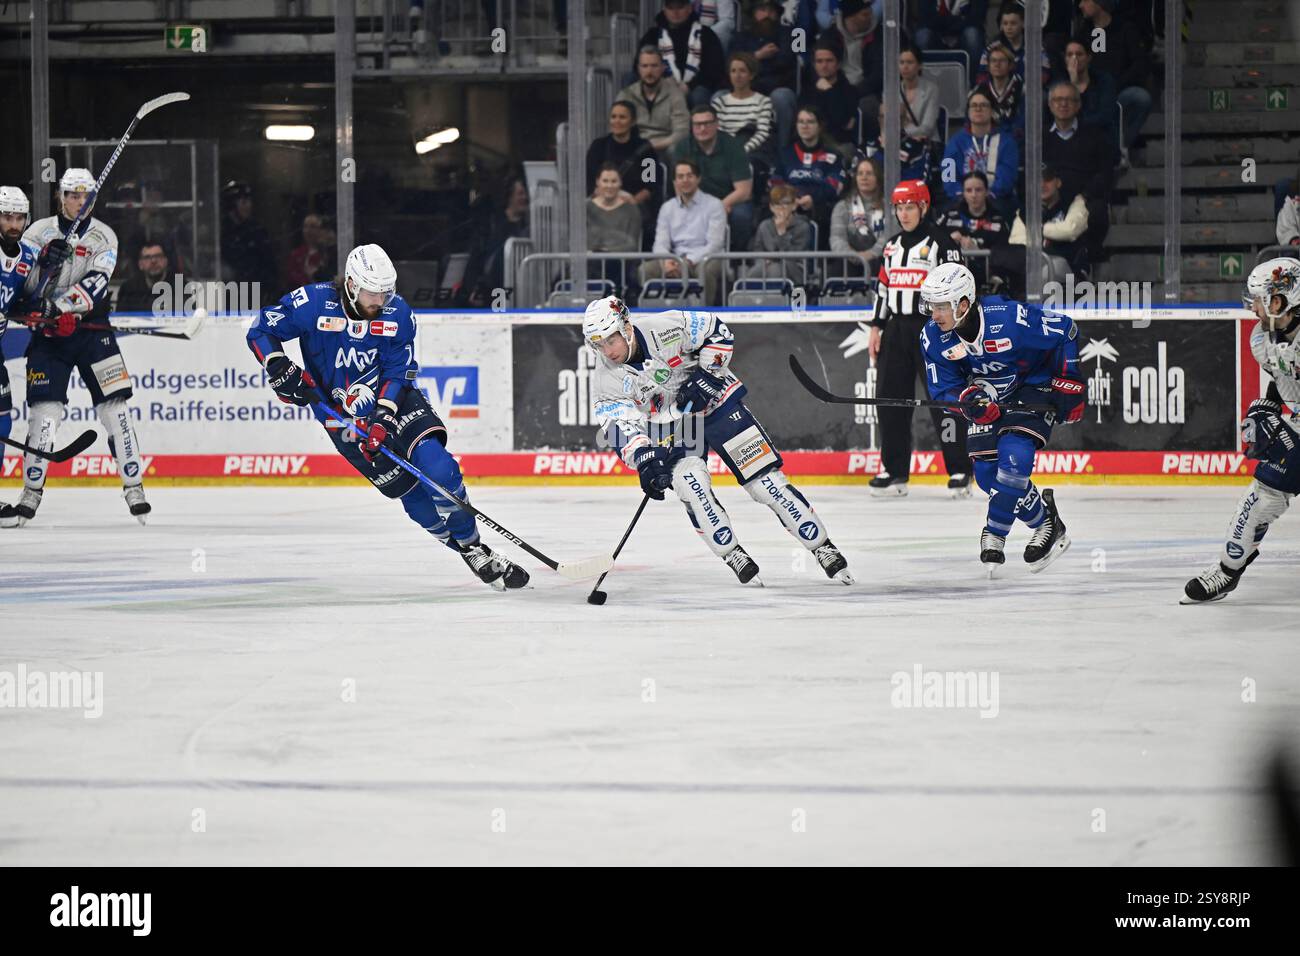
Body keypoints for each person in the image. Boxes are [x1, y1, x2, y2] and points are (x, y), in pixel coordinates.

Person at [246, 244, 529, 591]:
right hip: (341, 419)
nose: (380, 301)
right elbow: (261, 328)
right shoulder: (314, 303)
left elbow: (398, 372)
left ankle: (470, 543)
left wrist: (382, 419)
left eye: (386, 292)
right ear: (351, 285)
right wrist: (278, 366)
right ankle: (472, 552)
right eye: (372, 293)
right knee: (416, 503)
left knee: (440, 470)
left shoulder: (397, 313)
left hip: (396, 404)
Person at [583, 293, 853, 585]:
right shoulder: (605, 379)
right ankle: (733, 553)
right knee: (691, 486)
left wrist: (708, 376)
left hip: (717, 404)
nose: (607, 350)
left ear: (625, 327)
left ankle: (822, 546)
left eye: (611, 340)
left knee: (765, 482)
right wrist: (645, 459)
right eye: (599, 344)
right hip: (672, 425)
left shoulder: (665, 326)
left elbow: (716, 330)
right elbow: (618, 424)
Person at [2, 169, 150, 527]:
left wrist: (62, 306)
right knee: (45, 414)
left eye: (86, 196)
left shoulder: (105, 236)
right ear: (60, 196)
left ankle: (135, 487)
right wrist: (43, 268)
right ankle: (30, 494)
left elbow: (98, 282)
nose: (79, 202)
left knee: (116, 408)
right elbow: (23, 290)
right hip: (50, 338)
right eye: (72, 195)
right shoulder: (36, 232)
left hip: (92, 334)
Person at [918, 261, 1084, 574]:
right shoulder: (933, 337)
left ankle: (994, 532)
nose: (934, 314)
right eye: (931, 306)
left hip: (1033, 384)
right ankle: (1048, 524)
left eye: (941, 307)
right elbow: (944, 391)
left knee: (1015, 458)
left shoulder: (1009, 318)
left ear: (963, 304)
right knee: (986, 476)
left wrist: (1069, 378)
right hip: (989, 392)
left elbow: (1066, 330)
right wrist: (968, 401)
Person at [1182, 258, 1300, 603]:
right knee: (1260, 497)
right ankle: (1227, 570)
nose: (1253, 308)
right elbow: (1284, 379)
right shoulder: (1263, 338)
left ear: (1279, 301)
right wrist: (1270, 410)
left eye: (1259, 300)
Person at [866, 179, 968, 498]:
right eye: (899, 207)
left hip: (933, 330)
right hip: (896, 330)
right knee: (890, 400)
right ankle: (895, 472)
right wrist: (876, 327)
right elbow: (884, 290)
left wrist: (955, 330)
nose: (904, 213)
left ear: (923, 207)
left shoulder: (943, 244)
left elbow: (958, 288)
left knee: (945, 400)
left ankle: (960, 469)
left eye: (910, 206)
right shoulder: (892, 246)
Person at [1042, 80, 1116, 262]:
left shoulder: (1096, 135)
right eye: (1058, 99)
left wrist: (1085, 195)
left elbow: (1106, 172)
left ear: (1078, 105)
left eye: (1069, 100)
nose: (1063, 104)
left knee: (1097, 211)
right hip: (1047, 197)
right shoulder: (1039, 136)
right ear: (1050, 105)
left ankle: (1086, 259)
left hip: (1084, 197)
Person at [0, 186, 40, 521]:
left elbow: (25, 302)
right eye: (6, 217)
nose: (13, 223)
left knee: (3, 419)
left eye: (19, 217)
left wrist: (49, 275)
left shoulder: (26, 257)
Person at [641, 159, 727, 305]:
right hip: (675, 259)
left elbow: (714, 244)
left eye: (689, 176)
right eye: (680, 177)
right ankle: (658, 314)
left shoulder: (714, 205)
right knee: (645, 270)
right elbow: (660, 243)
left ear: (698, 178)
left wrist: (687, 262)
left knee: (705, 271)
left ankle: (703, 318)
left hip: (705, 258)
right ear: (675, 181)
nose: (685, 180)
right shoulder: (667, 208)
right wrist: (667, 261)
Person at [673, 104, 755, 249]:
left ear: (717, 124)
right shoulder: (682, 147)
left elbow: (744, 191)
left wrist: (719, 206)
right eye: (697, 124)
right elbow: (679, 186)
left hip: (729, 201)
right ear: (691, 127)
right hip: (695, 200)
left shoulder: (733, 146)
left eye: (707, 123)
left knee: (742, 215)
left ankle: (736, 261)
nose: (702, 128)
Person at [1076, 0, 1151, 153]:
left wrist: (1115, 84)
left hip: (1119, 89)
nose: (1080, 5)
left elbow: (1139, 64)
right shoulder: (1083, 32)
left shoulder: (1125, 29)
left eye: (1085, 0)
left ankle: (1120, 146)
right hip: (1092, 93)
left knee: (1141, 98)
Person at [729, 0, 800, 153]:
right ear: (753, 14)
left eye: (771, 10)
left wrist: (749, 64)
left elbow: (790, 60)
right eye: (761, 9)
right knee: (719, 96)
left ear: (778, 13)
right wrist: (757, 56)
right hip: (746, 88)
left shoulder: (792, 33)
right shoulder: (741, 36)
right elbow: (731, 65)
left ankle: (783, 151)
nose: (767, 14)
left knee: (781, 97)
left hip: (778, 86)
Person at [770, 106, 845, 244]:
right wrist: (791, 199)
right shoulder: (785, 154)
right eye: (801, 122)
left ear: (820, 126)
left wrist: (812, 198)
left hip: (820, 210)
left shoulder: (833, 156)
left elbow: (834, 186)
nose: (805, 126)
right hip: (786, 207)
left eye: (810, 122)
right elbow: (775, 183)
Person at [1008, 164, 1090, 284]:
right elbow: (1017, 241)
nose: (1042, 185)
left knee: (1048, 270)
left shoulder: (1075, 202)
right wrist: (1053, 233)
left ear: (1058, 182)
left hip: (1070, 268)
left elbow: (1070, 231)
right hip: (1034, 268)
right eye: (1038, 181)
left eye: (1048, 179)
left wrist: (1039, 230)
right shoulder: (1025, 211)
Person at [636, 0, 727, 109]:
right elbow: (639, 64)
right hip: (659, 83)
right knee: (632, 82)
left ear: (689, 9)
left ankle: (701, 125)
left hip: (695, 87)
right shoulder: (652, 35)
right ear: (664, 10)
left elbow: (714, 69)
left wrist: (689, 86)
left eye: (680, 8)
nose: (675, 12)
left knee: (699, 95)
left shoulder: (706, 34)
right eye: (671, 8)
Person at [941, 88, 1020, 211]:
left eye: (984, 105)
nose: (978, 109)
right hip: (962, 199)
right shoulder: (955, 142)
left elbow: (1007, 176)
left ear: (992, 111)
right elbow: (948, 175)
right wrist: (960, 194)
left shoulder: (1006, 142)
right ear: (968, 112)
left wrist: (987, 195)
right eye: (974, 105)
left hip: (996, 199)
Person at [935, 171, 1011, 290]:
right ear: (963, 193)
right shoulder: (949, 215)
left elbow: (1006, 256)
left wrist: (978, 251)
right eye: (969, 190)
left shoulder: (999, 219)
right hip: (953, 286)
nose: (974, 195)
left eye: (978, 190)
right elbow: (933, 241)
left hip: (989, 287)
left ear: (986, 191)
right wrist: (948, 241)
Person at [617, 47, 691, 158]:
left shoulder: (675, 94)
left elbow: (682, 133)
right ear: (638, 69)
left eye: (654, 66)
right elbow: (618, 129)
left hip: (666, 146)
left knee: (677, 149)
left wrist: (653, 146)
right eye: (645, 66)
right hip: (636, 147)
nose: (649, 71)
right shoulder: (626, 95)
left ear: (662, 68)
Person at [587, 163, 644, 292]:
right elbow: (582, 241)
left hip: (622, 263)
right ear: (598, 183)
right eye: (605, 181)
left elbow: (632, 245)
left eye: (613, 181)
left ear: (620, 183)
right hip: (591, 262)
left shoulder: (632, 209)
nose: (609, 185)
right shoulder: (585, 208)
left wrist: (606, 252)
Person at [710, 52, 776, 159]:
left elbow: (763, 133)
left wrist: (741, 151)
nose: (737, 76)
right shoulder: (719, 103)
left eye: (742, 71)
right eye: (733, 71)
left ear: (751, 75)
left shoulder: (763, 101)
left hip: (751, 154)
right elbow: (717, 133)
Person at [830, 153, 888, 271]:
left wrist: (871, 254)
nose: (864, 177)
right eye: (860, 173)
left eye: (869, 173)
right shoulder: (842, 207)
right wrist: (854, 256)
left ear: (878, 177)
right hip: (850, 262)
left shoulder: (890, 206)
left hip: (880, 260)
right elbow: (836, 239)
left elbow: (890, 236)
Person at [743, 184, 812, 284]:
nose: (781, 208)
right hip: (766, 266)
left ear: (794, 206)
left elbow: (792, 255)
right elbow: (757, 250)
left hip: (794, 268)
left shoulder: (802, 227)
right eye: (777, 204)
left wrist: (781, 233)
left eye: (786, 203)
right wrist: (763, 260)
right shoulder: (764, 226)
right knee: (753, 273)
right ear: (771, 207)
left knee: (775, 270)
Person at [220, 180, 277, 297]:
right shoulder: (220, 231)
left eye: (249, 201)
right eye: (244, 202)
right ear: (231, 206)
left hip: (253, 295)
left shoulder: (257, 231)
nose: (249, 206)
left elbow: (269, 266)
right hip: (226, 295)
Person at [799, 42, 861, 150]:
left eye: (829, 60)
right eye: (819, 61)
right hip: (810, 144)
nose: (824, 65)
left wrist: (829, 91)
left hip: (839, 145)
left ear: (838, 64)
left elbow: (843, 121)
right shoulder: (807, 91)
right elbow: (803, 121)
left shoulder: (850, 91)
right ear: (814, 65)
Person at [976, 1, 1051, 88]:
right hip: (999, 92)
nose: (1009, 27)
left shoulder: (1036, 47)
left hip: (1028, 93)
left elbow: (1045, 73)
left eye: (1013, 23)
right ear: (1001, 26)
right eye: (1005, 23)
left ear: (1023, 23)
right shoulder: (991, 49)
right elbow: (981, 77)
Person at [1060, 37, 1118, 146]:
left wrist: (1077, 125)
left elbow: (1105, 116)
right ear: (1065, 59)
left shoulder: (1104, 80)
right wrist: (1073, 84)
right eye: (1070, 55)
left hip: (1100, 139)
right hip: (1069, 141)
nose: (1074, 59)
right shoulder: (1060, 84)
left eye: (1079, 54)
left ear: (1088, 57)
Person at [913, 0, 988, 83]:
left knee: (972, 35)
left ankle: (973, 85)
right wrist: (958, 21)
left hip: (963, 35)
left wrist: (945, 23)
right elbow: (924, 19)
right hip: (937, 36)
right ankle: (923, 85)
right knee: (922, 36)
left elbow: (977, 19)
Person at [977, 41, 1025, 143]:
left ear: (1011, 65)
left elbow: (1024, 121)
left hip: (1015, 141)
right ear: (988, 66)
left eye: (1002, 61)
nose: (997, 64)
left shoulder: (1021, 89)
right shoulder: (979, 91)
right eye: (993, 61)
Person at [115, 241, 177, 313]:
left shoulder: (181, 287)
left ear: (166, 261)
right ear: (140, 264)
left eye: (158, 256)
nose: (153, 261)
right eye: (147, 257)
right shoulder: (128, 289)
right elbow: (120, 320)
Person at [897, 43, 941, 143]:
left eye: (910, 62)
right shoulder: (890, 91)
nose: (905, 67)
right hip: (898, 145)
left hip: (926, 144)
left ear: (919, 66)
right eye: (902, 62)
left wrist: (903, 130)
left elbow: (927, 128)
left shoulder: (931, 90)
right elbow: (888, 126)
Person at [284, 214, 335, 291]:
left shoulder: (328, 254)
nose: (308, 230)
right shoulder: (297, 254)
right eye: (305, 226)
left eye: (313, 227)